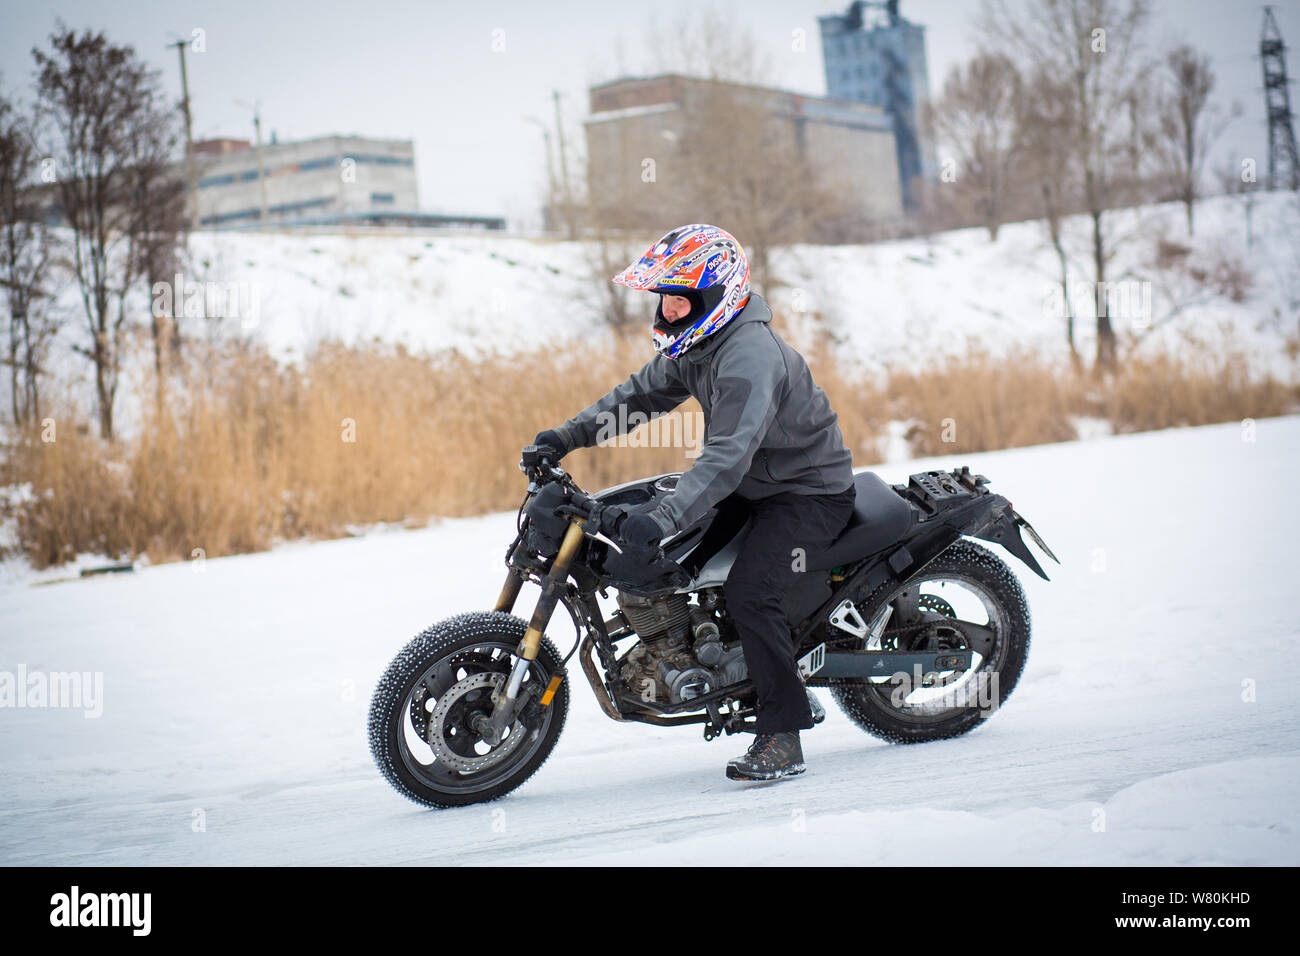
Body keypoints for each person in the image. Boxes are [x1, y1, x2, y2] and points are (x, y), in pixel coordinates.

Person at [530, 223, 855, 781]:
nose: (667, 311)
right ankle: (741, 667)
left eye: (679, 300)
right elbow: (639, 396)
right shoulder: (700, 343)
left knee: (751, 591)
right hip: (753, 484)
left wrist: (662, 517)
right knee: (677, 568)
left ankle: (783, 733)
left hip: (806, 492)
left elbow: (727, 455)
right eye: (664, 299)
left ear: (716, 296)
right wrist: (567, 436)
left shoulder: (749, 356)